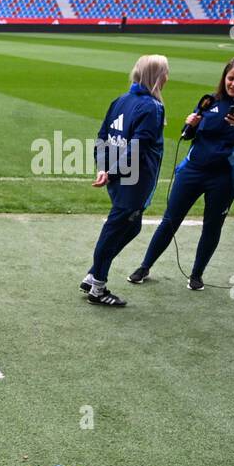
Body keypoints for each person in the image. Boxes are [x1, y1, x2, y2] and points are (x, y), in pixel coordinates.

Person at [130, 57, 234, 290]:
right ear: (224, 77)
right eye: (230, 78)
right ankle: (144, 266)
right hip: (192, 171)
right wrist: (190, 124)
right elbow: (187, 135)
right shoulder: (209, 100)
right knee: (170, 220)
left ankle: (196, 274)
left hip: (225, 176)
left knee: (212, 226)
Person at [80, 54, 169, 308]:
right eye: (165, 73)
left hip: (118, 177)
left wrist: (104, 168)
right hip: (134, 180)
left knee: (132, 226)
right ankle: (97, 287)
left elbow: (102, 136)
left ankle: (93, 274)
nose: (167, 77)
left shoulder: (121, 100)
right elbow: (138, 147)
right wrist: (112, 171)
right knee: (116, 228)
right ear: (158, 77)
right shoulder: (152, 107)